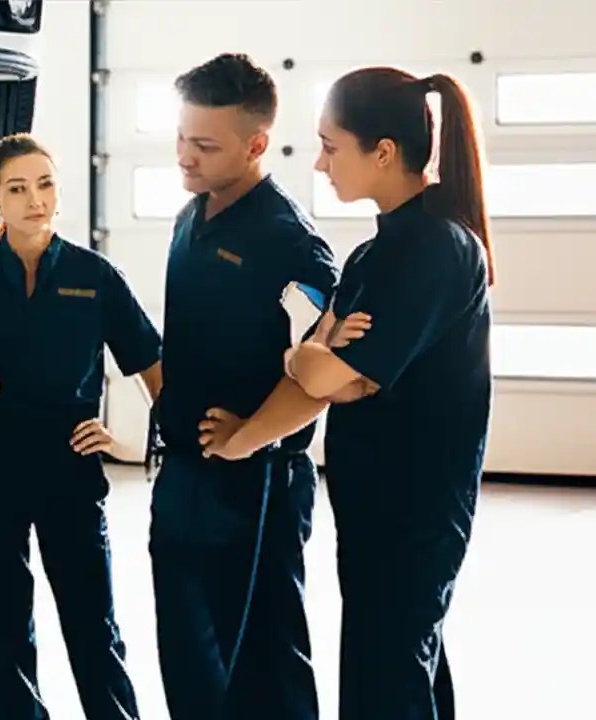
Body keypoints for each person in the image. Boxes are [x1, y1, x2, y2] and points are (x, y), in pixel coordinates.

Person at [200, 67, 494, 720]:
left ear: (383, 151)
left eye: (332, 147)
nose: (321, 162)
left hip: (414, 514)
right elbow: (327, 378)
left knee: (387, 682)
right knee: (395, 668)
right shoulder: (371, 256)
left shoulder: (439, 250)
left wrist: (307, 350)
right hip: (372, 512)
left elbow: (332, 376)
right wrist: (248, 434)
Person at [148, 53, 340, 720]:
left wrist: (247, 439)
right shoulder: (188, 218)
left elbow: (321, 378)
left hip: (254, 484)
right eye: (181, 138)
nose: (186, 157)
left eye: (205, 145)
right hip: (183, 475)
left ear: (257, 144)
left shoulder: (291, 245)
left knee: (264, 663)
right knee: (189, 659)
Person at [0, 134, 162, 720]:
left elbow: (151, 364)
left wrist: (135, 444)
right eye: (17, 188)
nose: (34, 199)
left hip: (69, 467)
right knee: (3, 626)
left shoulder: (95, 276)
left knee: (94, 623)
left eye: (44, 184)